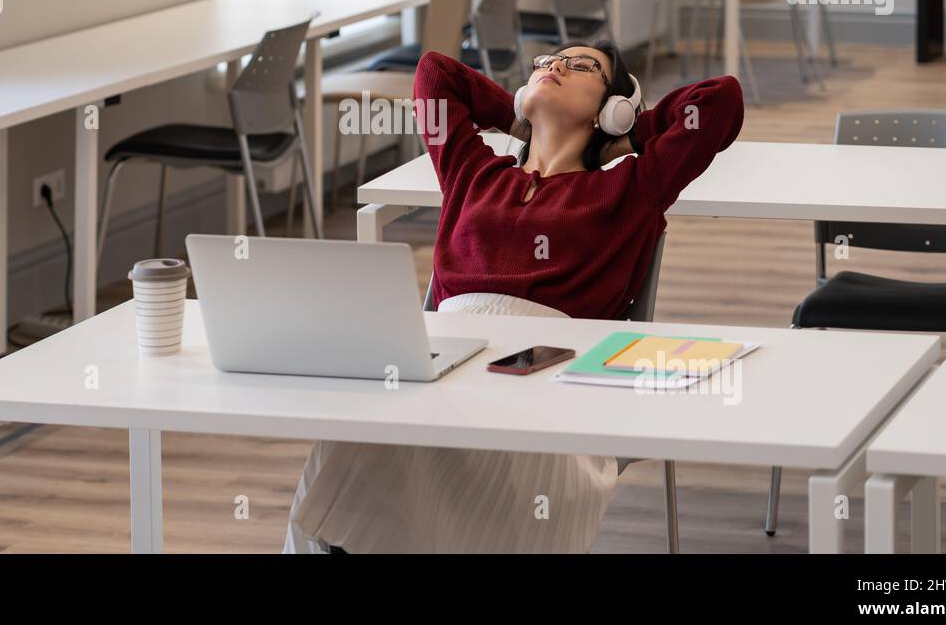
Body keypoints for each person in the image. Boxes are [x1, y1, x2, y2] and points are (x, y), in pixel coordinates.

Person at [284, 42, 745, 553]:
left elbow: (720, 101)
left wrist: (629, 135)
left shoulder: (630, 189)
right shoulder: (472, 173)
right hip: (451, 359)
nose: (555, 68)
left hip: (547, 378)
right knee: (354, 430)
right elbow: (435, 74)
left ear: (611, 108)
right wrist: (516, 113)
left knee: (394, 440)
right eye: (547, 62)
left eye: (582, 66)